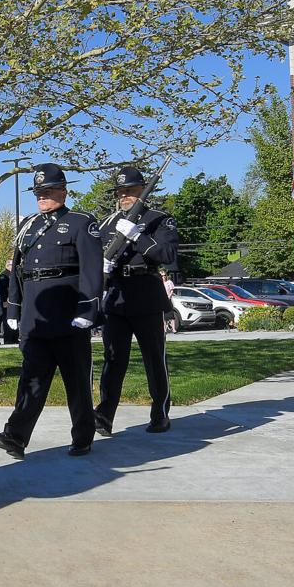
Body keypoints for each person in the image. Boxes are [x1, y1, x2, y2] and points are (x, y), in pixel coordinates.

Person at [0, 164, 103, 458]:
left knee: (76, 381)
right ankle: (16, 436)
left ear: (63, 191)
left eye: (48, 191)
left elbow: (92, 269)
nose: (42, 196)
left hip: (67, 313)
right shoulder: (28, 225)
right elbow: (18, 270)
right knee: (31, 379)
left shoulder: (80, 222)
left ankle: (83, 436)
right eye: (38, 192)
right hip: (35, 316)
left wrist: (88, 308)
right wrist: (14, 306)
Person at [94, 166, 179, 434]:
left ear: (142, 190)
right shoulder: (107, 224)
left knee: (154, 360)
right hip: (117, 297)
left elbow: (166, 254)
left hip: (146, 295)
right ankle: (104, 415)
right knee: (113, 360)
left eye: (130, 191)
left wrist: (137, 237)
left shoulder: (159, 220)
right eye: (121, 192)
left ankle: (160, 413)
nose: (125, 196)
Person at [0, 259, 18, 345]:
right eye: (12, 265)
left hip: (14, 301)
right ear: (8, 265)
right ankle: (8, 339)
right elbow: (3, 290)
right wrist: (4, 301)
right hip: (7, 301)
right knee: (7, 320)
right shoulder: (4, 276)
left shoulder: (13, 275)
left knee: (14, 319)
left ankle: (14, 338)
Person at [160, 267, 178, 334]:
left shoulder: (169, 282)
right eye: (162, 276)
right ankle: (164, 330)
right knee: (163, 316)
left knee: (171, 315)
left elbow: (171, 291)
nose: (163, 277)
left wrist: (169, 297)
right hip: (162, 300)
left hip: (168, 300)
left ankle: (173, 329)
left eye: (164, 275)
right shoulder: (159, 283)